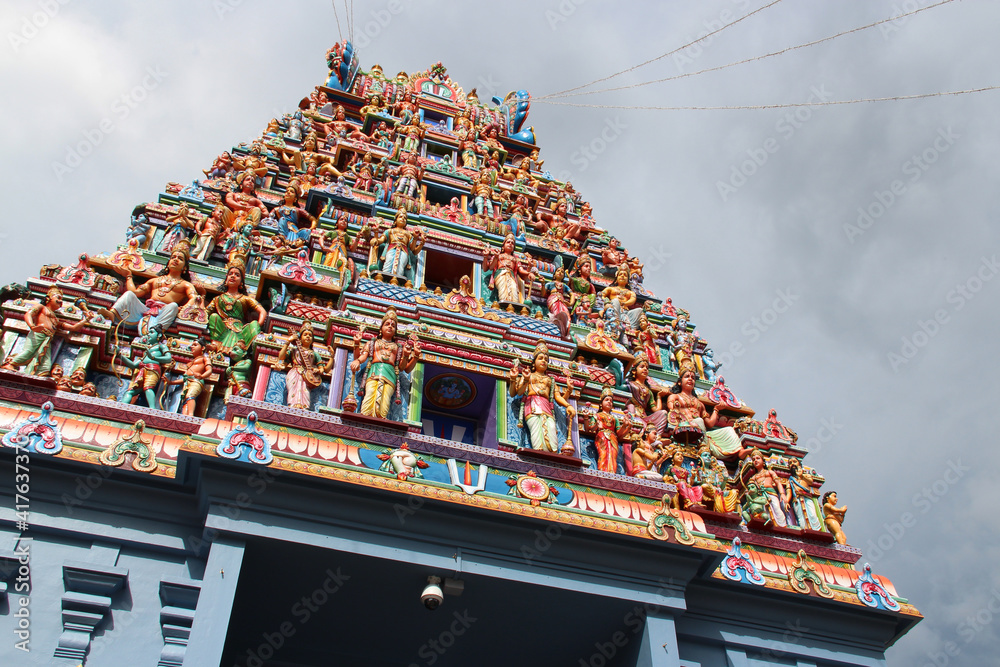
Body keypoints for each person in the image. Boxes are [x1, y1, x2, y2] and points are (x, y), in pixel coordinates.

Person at [100, 241, 200, 332]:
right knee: (129, 294)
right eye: (173, 257)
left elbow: (194, 298)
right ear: (168, 263)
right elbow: (136, 293)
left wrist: (183, 309)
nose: (175, 260)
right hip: (147, 309)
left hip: (165, 311)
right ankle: (112, 314)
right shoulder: (155, 280)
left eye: (180, 259)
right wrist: (128, 276)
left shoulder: (186, 284)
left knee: (173, 306)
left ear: (184, 267)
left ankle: (155, 333)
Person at [2, 287, 91, 376]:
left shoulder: (55, 320)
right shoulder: (41, 307)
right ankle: (10, 364)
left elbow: (73, 328)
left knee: (46, 362)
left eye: (61, 300)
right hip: (38, 332)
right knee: (29, 351)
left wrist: (86, 319)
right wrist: (32, 326)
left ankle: (40, 375)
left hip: (47, 338)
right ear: (48, 298)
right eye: (58, 298)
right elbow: (28, 314)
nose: (60, 301)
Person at [349, 309, 420, 420]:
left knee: (385, 398)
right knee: (370, 393)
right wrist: (357, 347)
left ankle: (380, 418)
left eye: (393, 325)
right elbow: (362, 357)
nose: (390, 326)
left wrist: (410, 355)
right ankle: (365, 416)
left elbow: (403, 368)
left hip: (390, 375)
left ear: (395, 331)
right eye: (387, 324)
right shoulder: (373, 343)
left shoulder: (397, 347)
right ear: (381, 329)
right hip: (374, 372)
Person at [508, 340, 576, 455]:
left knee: (551, 430)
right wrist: (515, 379)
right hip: (533, 406)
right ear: (534, 363)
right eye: (540, 358)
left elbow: (558, 398)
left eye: (546, 359)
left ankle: (552, 454)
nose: (543, 361)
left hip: (547, 408)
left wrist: (568, 401)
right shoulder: (528, 375)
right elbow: (515, 393)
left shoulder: (551, 380)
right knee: (536, 430)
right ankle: (539, 453)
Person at [666, 369, 748, 459]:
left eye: (693, 378)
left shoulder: (699, 404)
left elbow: (710, 423)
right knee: (699, 420)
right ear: (679, 382)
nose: (690, 379)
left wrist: (716, 409)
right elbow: (672, 410)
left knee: (729, 430)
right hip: (685, 428)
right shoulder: (675, 397)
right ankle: (704, 447)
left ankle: (740, 451)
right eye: (687, 377)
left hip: (702, 432)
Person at [206, 260, 266, 354]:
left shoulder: (245, 299)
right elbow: (206, 313)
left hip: (240, 330)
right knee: (214, 317)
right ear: (226, 278)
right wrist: (201, 297)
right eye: (230, 274)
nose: (233, 276)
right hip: (222, 327)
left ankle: (249, 346)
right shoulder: (218, 299)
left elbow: (262, 311)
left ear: (241, 282)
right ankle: (215, 343)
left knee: (254, 323)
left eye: (237, 275)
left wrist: (258, 325)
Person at [275, 323, 333, 410]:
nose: (308, 336)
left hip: (307, 375)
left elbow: (325, 369)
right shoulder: (294, 351)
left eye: (310, 335)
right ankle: (292, 406)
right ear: (300, 338)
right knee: (294, 390)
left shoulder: (314, 354)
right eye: (305, 334)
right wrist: (288, 341)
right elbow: (281, 357)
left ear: (312, 339)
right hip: (295, 373)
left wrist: (332, 356)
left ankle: (304, 408)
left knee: (305, 391)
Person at [118, 324, 173, 409]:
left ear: (158, 335)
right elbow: (133, 365)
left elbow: (168, 358)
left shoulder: (161, 346)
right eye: (148, 333)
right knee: (130, 392)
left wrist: (154, 357)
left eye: (151, 332)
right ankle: (121, 408)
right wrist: (119, 355)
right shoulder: (146, 352)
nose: (148, 335)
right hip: (143, 370)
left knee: (148, 388)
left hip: (152, 369)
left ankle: (152, 409)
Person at [585, 388, 631, 473]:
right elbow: (589, 429)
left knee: (612, 455)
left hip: (613, 438)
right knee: (603, 454)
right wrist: (587, 419)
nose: (609, 402)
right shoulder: (597, 416)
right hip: (601, 437)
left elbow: (619, 434)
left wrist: (625, 426)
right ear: (601, 403)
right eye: (606, 400)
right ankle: (602, 471)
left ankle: (611, 472)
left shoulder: (614, 418)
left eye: (611, 401)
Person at [373, 208, 425, 279]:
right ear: (395, 220)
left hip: (403, 251)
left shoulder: (408, 234)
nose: (402, 219)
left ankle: (397, 279)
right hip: (391, 249)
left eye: (404, 218)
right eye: (400, 217)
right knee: (388, 262)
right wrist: (376, 232)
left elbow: (413, 250)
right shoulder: (390, 231)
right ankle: (385, 277)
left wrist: (417, 239)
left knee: (400, 265)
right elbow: (380, 241)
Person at [167, 337, 214, 416]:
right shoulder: (191, 363)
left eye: (195, 345)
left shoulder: (205, 359)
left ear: (202, 348)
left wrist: (201, 376)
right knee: (186, 400)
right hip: (188, 382)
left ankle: (190, 415)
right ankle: (185, 416)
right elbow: (184, 379)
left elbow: (209, 370)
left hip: (196, 381)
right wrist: (170, 382)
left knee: (190, 396)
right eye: (192, 345)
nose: (192, 347)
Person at [483, 233, 533, 305]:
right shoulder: (498, 255)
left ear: (513, 248)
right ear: (503, 245)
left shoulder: (515, 259)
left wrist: (529, 269)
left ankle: (513, 305)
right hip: (501, 275)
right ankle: (504, 304)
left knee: (513, 290)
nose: (510, 244)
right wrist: (489, 257)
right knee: (503, 290)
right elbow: (489, 268)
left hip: (511, 276)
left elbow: (522, 272)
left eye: (512, 243)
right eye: (508, 242)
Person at [744, 449, 788, 527]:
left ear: (763, 461)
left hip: (771, 493)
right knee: (764, 511)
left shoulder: (769, 472)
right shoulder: (753, 477)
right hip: (760, 496)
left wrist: (782, 494)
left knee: (776, 508)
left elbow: (778, 482)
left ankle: (782, 525)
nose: (755, 461)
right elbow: (750, 489)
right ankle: (768, 524)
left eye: (758, 458)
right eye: (753, 460)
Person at [626, 358, 669, 436]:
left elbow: (656, 410)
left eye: (647, 368)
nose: (645, 369)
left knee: (663, 413)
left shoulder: (648, 391)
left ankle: (656, 437)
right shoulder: (629, 384)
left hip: (644, 417)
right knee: (642, 425)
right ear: (634, 371)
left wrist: (659, 396)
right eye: (642, 367)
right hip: (632, 414)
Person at [787, 459, 823, 530]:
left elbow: (810, 482)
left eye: (794, 462)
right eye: (790, 463)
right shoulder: (790, 480)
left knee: (812, 514)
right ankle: (804, 529)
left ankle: (815, 529)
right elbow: (789, 491)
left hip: (807, 497)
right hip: (796, 499)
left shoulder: (806, 475)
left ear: (799, 464)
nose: (792, 464)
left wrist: (802, 476)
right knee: (800, 517)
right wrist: (786, 502)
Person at [544, 266, 574, 338]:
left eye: (562, 272)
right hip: (553, 299)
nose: (560, 272)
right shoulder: (550, 284)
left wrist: (570, 303)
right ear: (554, 275)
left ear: (564, 276)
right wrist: (542, 283)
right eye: (558, 271)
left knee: (565, 313)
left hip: (562, 300)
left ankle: (564, 328)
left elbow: (572, 294)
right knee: (555, 312)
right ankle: (555, 324)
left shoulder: (564, 286)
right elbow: (543, 294)